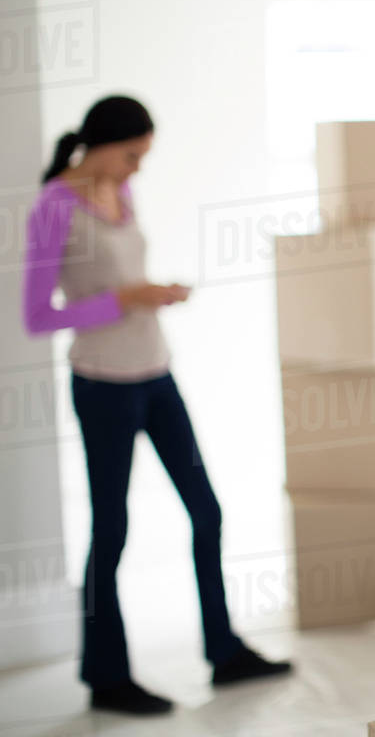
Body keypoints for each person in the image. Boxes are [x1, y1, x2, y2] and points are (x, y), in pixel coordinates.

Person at [22, 95, 292, 716]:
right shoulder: (52, 207)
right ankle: (107, 677)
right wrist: (124, 297)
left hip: (156, 375)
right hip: (102, 386)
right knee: (112, 531)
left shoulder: (125, 194)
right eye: (133, 155)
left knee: (207, 511)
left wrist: (152, 294)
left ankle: (224, 654)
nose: (138, 169)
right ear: (102, 144)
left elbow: (121, 279)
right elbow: (39, 316)